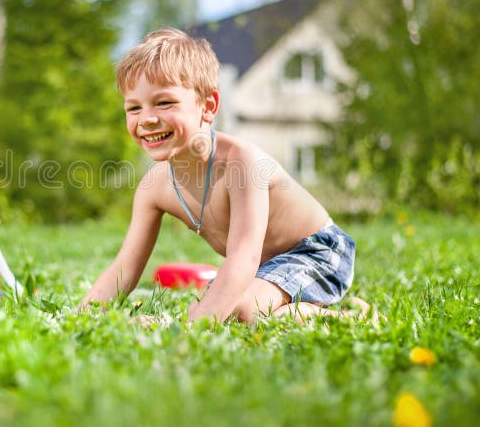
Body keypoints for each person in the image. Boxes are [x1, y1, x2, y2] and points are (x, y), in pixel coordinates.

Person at [82, 28, 367, 324]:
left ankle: (348, 317)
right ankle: (306, 310)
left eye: (164, 103)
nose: (147, 118)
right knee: (211, 304)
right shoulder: (153, 188)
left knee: (237, 311)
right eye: (134, 107)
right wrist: (82, 317)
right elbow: (124, 268)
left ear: (208, 107)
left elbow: (243, 258)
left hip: (316, 253)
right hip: (264, 268)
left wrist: (194, 328)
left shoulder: (242, 164)